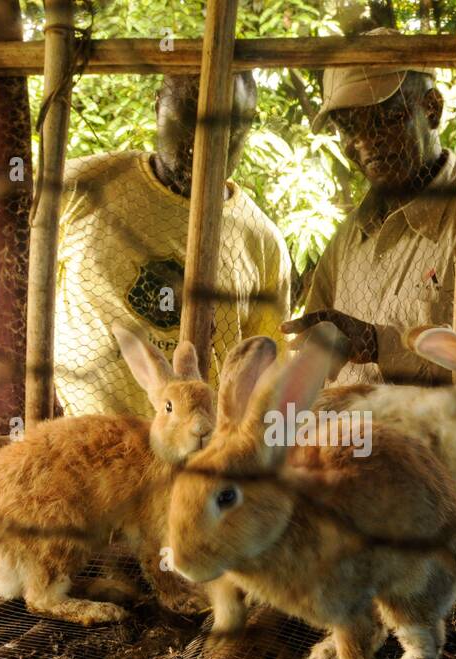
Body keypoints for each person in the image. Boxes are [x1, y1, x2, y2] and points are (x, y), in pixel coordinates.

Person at [286, 29, 456, 471]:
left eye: (383, 119)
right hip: (367, 501)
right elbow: (312, 367)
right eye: (349, 127)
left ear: (430, 109)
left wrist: (383, 344)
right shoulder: (350, 239)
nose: (365, 140)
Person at [54, 71, 291, 417]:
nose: (202, 144)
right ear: (158, 108)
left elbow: (269, 380)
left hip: (198, 455)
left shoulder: (262, 241)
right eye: (187, 121)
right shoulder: (79, 188)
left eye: (227, 127)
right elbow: (11, 298)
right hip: (85, 452)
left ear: (248, 126)